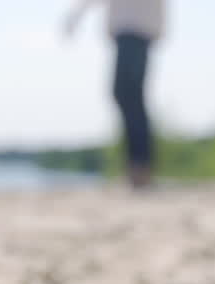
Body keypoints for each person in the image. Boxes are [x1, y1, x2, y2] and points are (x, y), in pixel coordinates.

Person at [65, 0, 166, 190]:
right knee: (130, 98)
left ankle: (140, 169)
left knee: (129, 97)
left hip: (135, 30)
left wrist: (75, 15)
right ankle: (138, 168)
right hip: (135, 31)